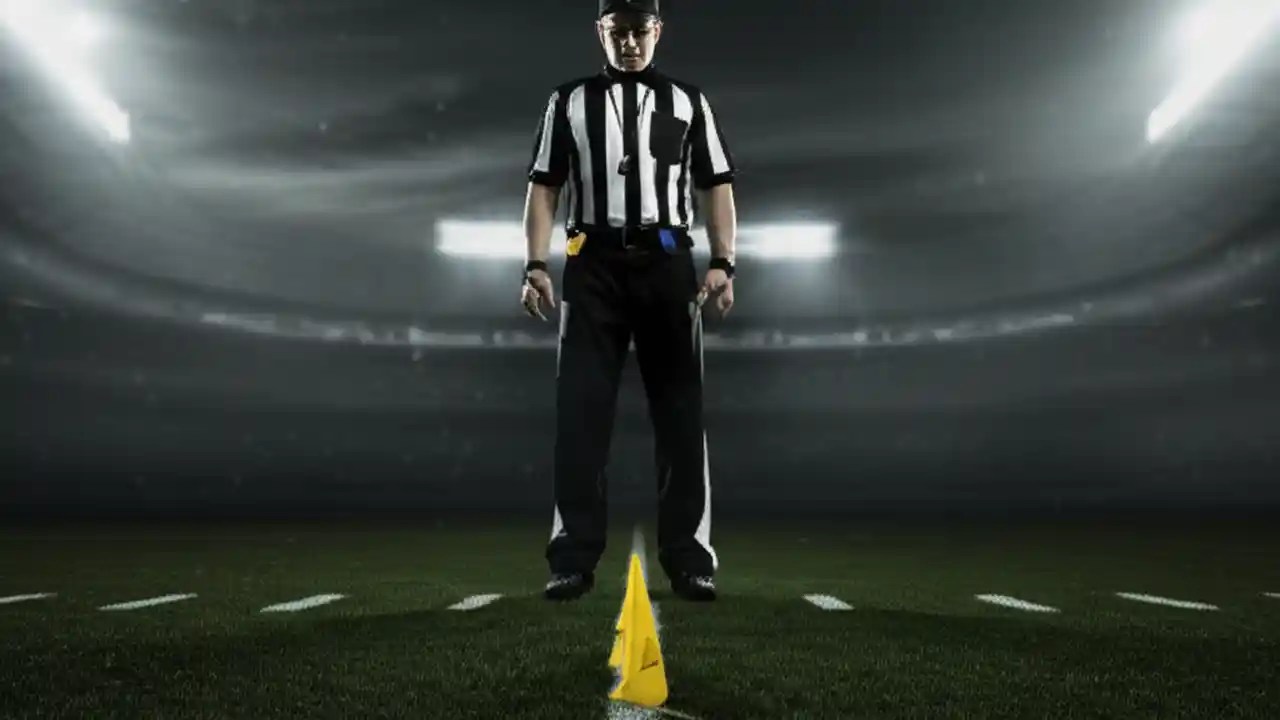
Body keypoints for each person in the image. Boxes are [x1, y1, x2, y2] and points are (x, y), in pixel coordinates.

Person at [519, 0, 739, 602]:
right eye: (618, 32)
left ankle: (690, 560)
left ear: (658, 30)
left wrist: (723, 263)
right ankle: (572, 558)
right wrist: (536, 265)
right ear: (601, 32)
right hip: (591, 264)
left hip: (667, 263)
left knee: (681, 415)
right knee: (581, 414)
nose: (631, 43)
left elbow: (716, 183)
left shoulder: (687, 101)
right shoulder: (568, 101)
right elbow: (544, 186)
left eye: (641, 31)